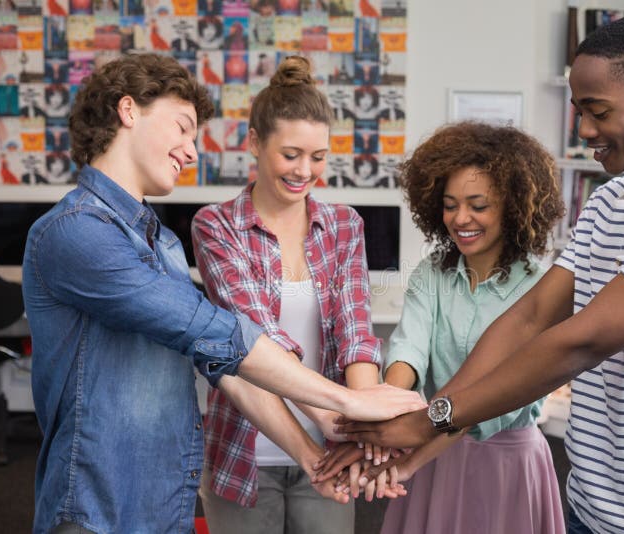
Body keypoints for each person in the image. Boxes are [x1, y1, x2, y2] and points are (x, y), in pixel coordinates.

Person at [331, 16, 624, 533]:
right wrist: (420, 435)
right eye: (578, 110)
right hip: (591, 500)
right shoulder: (607, 201)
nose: (583, 131)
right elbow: (530, 317)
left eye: (598, 111)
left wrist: (428, 420)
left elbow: (581, 342)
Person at [21, 52, 424, 534]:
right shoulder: (75, 233)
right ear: (128, 111)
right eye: (183, 128)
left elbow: (224, 364)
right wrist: (348, 402)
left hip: (163, 499)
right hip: (99, 506)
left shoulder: (162, 243)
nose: (192, 152)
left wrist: (315, 456)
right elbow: (217, 331)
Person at [191, 55, 402, 534]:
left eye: (318, 157)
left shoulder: (345, 225)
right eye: (291, 154)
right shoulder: (216, 226)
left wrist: (364, 433)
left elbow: (356, 335)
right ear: (254, 143)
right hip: (245, 451)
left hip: (332, 445)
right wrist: (341, 412)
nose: (305, 170)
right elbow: (258, 340)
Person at [323, 122, 566, 534]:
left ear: (512, 205)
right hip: (435, 456)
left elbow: (490, 400)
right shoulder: (431, 274)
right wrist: (381, 423)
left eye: (478, 205)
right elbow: (408, 353)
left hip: (508, 463)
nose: (461, 218)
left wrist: (405, 461)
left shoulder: (541, 288)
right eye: (450, 204)